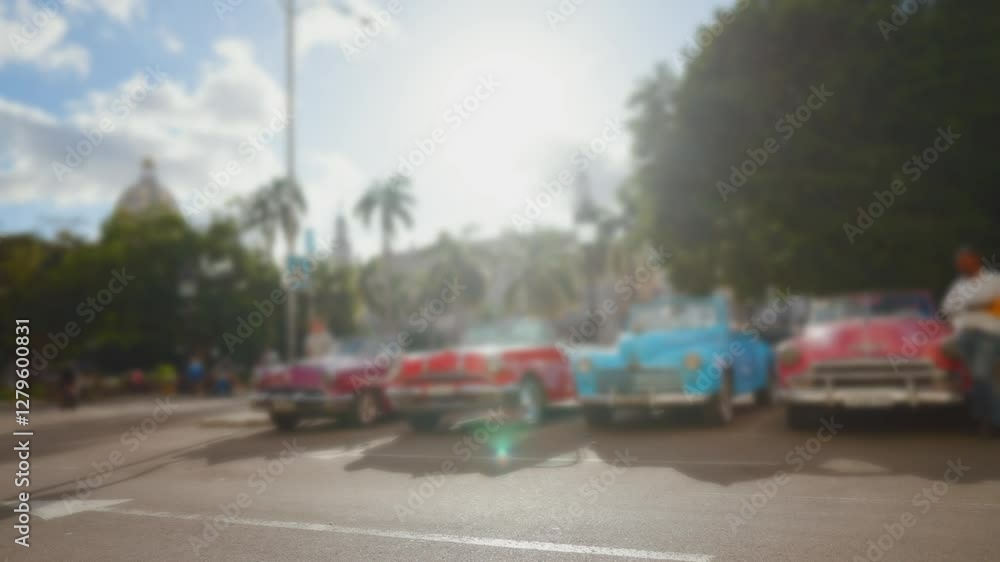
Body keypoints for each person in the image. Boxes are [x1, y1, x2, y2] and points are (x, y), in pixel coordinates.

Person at [941, 246, 1000, 437]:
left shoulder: (993, 280)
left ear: (976, 260)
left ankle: (993, 421)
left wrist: (969, 306)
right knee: (976, 378)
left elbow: (995, 304)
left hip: (988, 333)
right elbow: (947, 308)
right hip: (964, 335)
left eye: (964, 260)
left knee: (983, 375)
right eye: (959, 262)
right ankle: (983, 421)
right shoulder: (959, 285)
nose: (960, 264)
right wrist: (978, 305)